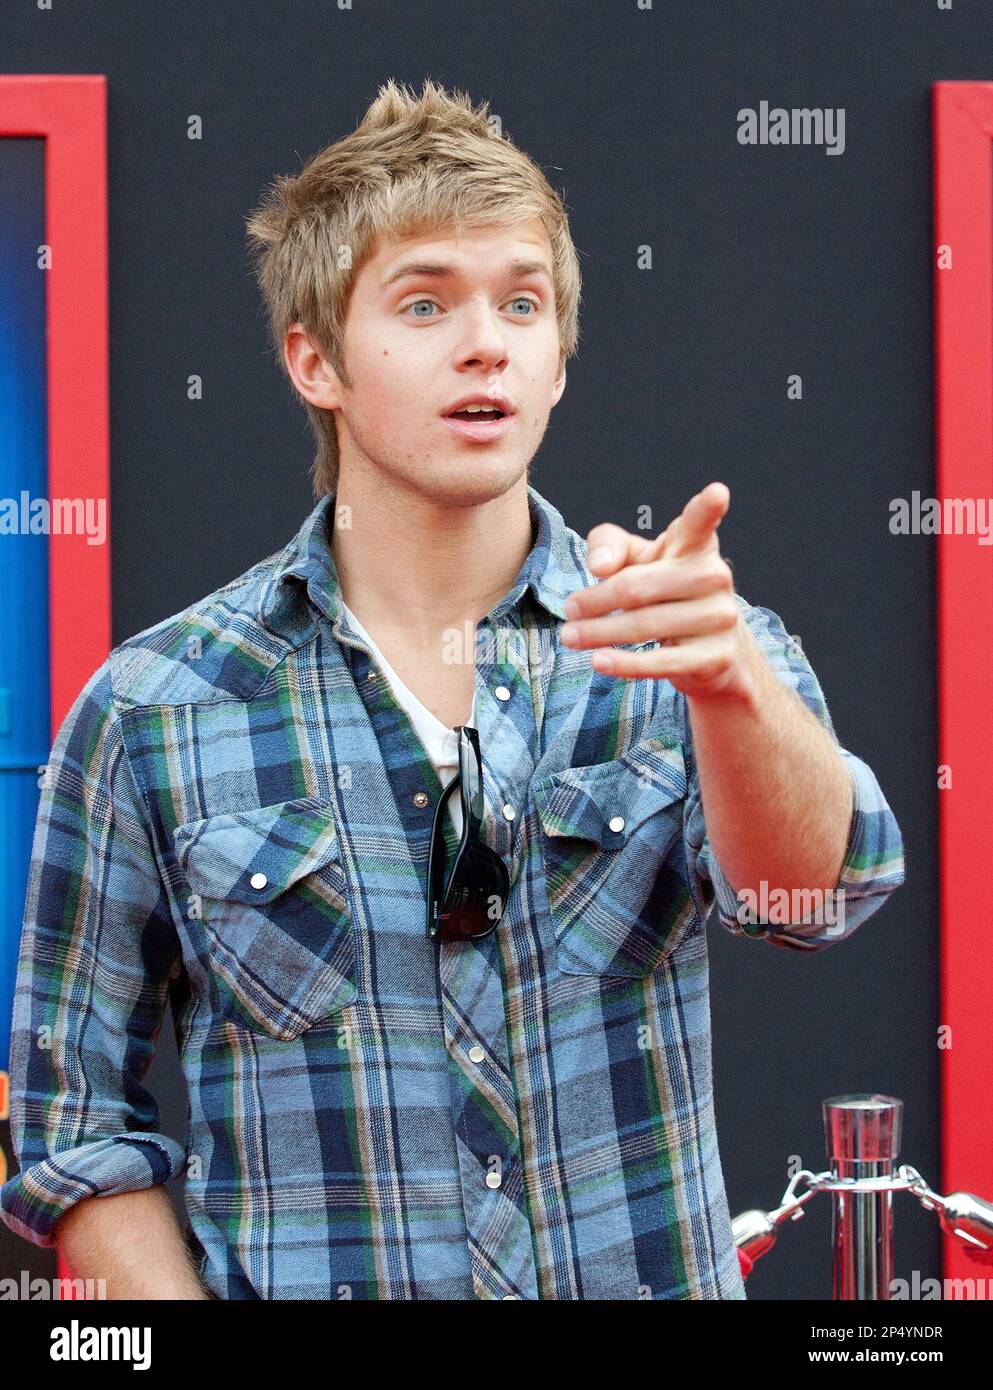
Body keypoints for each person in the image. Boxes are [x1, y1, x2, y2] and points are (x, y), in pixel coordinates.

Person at [0, 78, 904, 1300]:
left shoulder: (694, 638)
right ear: (314, 360)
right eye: (425, 303)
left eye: (521, 304)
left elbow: (822, 896)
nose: (487, 341)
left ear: (558, 363)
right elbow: (74, 1124)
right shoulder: (153, 709)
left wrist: (729, 686)